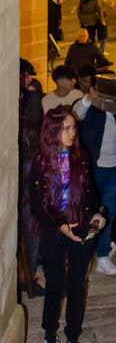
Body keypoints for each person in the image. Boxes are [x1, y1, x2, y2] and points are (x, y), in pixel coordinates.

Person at [29, 106, 106, 343]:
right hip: (54, 229)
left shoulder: (80, 156)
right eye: (66, 128)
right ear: (53, 132)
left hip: (81, 227)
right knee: (55, 285)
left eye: (74, 127)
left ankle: (73, 340)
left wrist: (96, 213)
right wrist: (60, 225)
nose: (72, 132)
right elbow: (36, 205)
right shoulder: (40, 163)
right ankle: (50, 335)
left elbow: (90, 192)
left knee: (76, 286)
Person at [73, 76, 116, 276]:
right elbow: (75, 115)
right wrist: (88, 99)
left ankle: (103, 254)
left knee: (108, 210)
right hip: (93, 168)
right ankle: (91, 252)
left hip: (114, 167)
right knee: (91, 211)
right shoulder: (89, 108)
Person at [18, 58, 44, 297]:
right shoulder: (28, 99)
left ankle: (27, 276)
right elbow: (33, 133)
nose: (29, 80)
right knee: (30, 228)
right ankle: (26, 277)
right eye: (26, 76)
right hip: (24, 173)